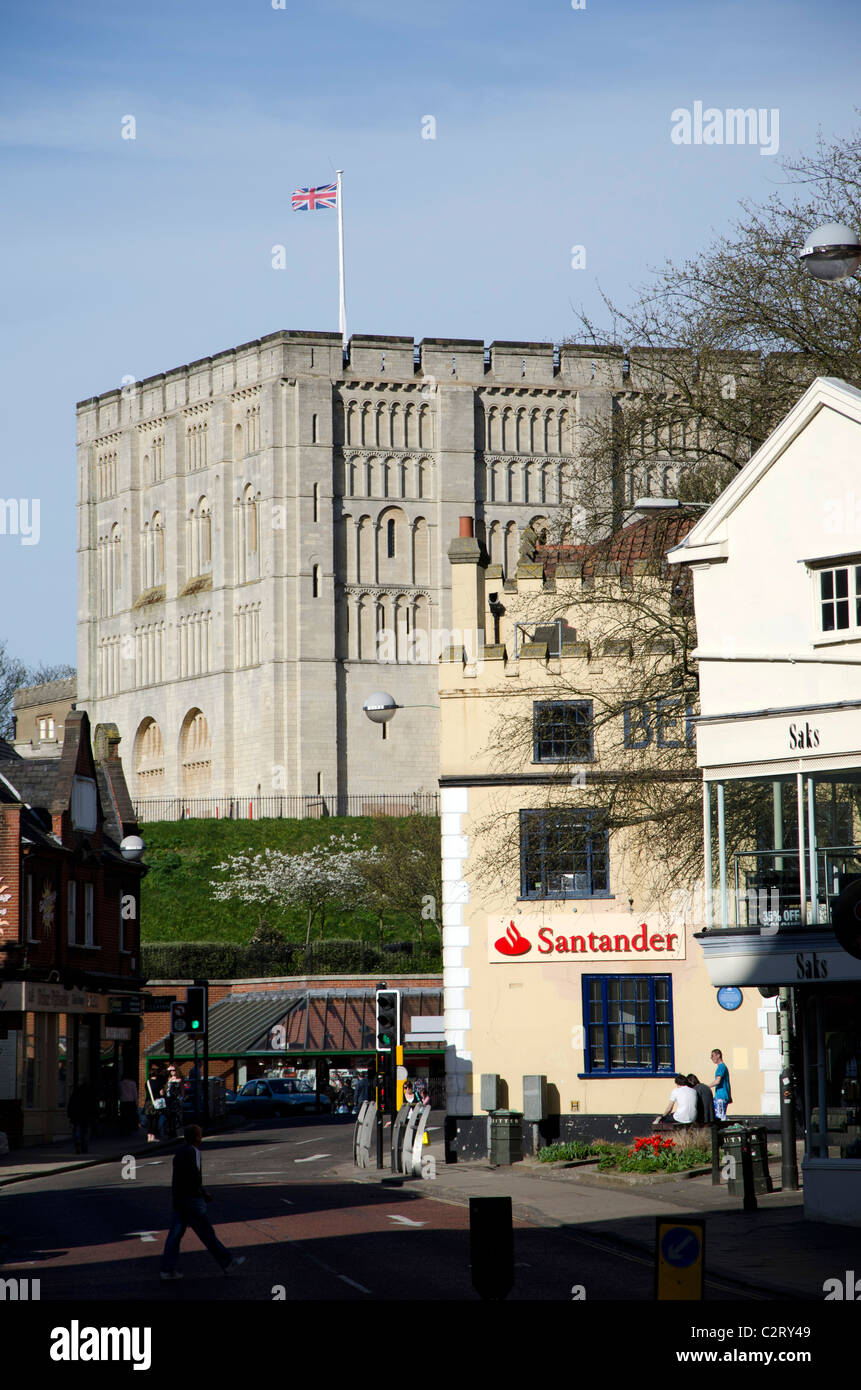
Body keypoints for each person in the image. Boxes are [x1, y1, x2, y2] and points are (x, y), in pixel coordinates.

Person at [159, 1125, 247, 1281]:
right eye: (200, 1135)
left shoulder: (179, 1152)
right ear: (196, 1138)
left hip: (179, 1199)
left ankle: (167, 1269)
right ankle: (227, 1262)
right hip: (192, 1200)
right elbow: (195, 1175)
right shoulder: (194, 1152)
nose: (201, 1138)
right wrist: (203, 1193)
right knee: (207, 1234)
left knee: (174, 1235)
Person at [67, 1080, 99, 1153]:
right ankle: (84, 1147)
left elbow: (71, 1104)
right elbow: (94, 1106)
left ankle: (78, 1142)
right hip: (87, 1116)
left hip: (77, 1116)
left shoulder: (75, 1093)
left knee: (77, 1130)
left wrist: (70, 1115)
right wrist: (95, 1116)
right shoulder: (90, 1094)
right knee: (86, 1132)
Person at [709, 1049, 733, 1120]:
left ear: (718, 1055)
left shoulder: (721, 1067)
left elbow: (717, 1081)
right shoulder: (722, 1067)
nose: (711, 1058)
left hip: (721, 1097)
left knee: (720, 1118)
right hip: (722, 1096)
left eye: (712, 1056)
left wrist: (706, 1086)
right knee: (720, 1117)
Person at [144, 1068, 164, 1143]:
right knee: (155, 1120)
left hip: (148, 1103)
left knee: (149, 1120)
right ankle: (153, 1136)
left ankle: (149, 1136)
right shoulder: (159, 1082)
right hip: (156, 1102)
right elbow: (162, 1093)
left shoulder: (147, 1082)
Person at [164, 1066, 184, 1140]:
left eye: (173, 1070)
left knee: (176, 1116)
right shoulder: (168, 1079)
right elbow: (166, 1090)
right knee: (170, 1116)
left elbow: (182, 1090)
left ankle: (175, 1131)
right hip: (169, 1099)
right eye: (171, 1071)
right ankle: (170, 1131)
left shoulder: (180, 1080)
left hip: (176, 1099)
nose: (172, 1072)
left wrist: (181, 1099)